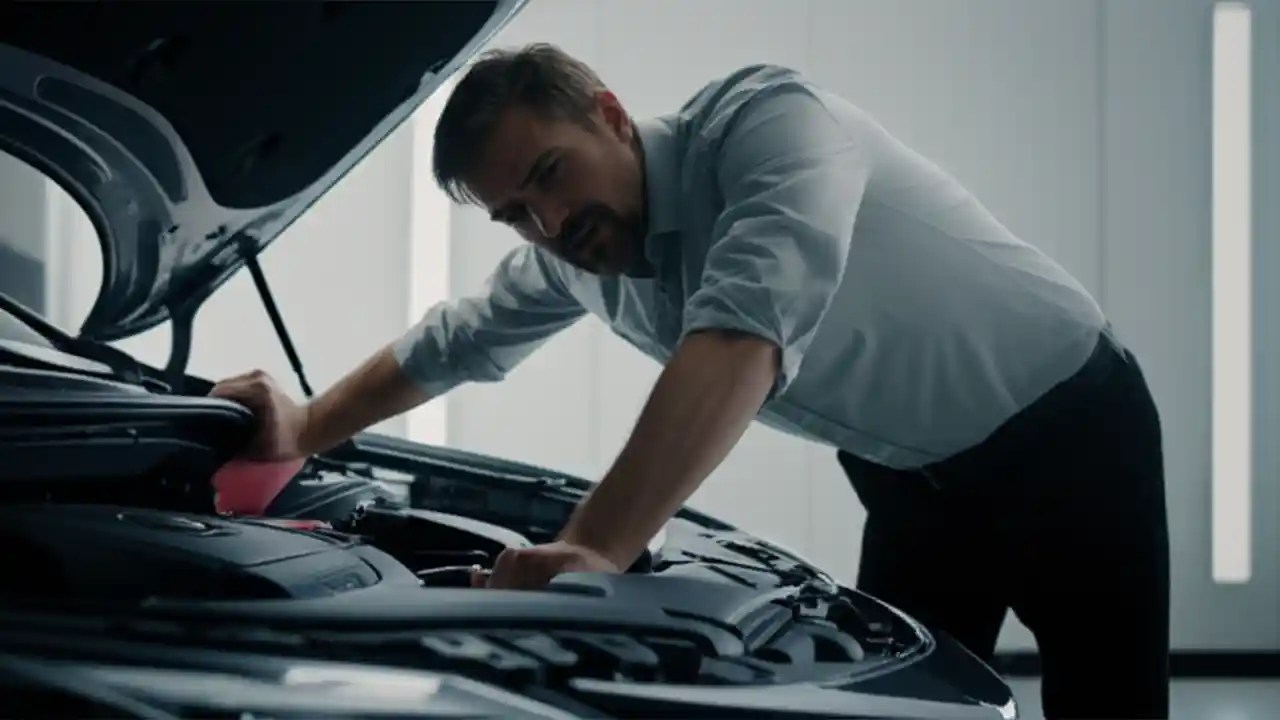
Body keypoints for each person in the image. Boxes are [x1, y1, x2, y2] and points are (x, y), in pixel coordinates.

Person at [210, 43, 1170, 718]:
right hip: (910, 481)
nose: (546, 225)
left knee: (1109, 707)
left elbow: (748, 327)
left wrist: (596, 546)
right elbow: (452, 342)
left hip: (1070, 434)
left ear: (611, 115)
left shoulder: (767, 123)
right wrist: (300, 427)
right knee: (898, 706)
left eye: (550, 175)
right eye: (514, 214)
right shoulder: (571, 258)